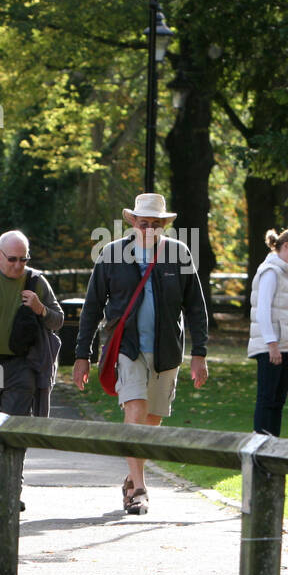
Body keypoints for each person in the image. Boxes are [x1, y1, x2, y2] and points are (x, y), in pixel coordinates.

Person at [73, 193, 209, 515]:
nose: (149, 228)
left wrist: (200, 353)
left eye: (155, 224)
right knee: (134, 410)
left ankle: (131, 475)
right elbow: (91, 309)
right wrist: (82, 355)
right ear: (133, 222)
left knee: (152, 422)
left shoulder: (178, 253)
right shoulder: (112, 254)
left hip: (166, 351)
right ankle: (139, 488)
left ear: (164, 225)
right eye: (143, 222)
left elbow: (195, 306)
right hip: (127, 348)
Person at [0, 230, 63, 510]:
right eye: (12, 259)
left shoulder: (37, 281)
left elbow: (58, 321)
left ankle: (11, 489)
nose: (18, 266)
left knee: (13, 430)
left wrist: (41, 309)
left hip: (20, 366)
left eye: (23, 259)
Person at [249, 227, 288, 436]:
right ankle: (260, 450)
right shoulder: (271, 272)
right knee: (267, 398)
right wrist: (272, 344)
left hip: (285, 348)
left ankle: (273, 448)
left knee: (278, 401)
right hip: (271, 348)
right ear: (285, 246)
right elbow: (263, 310)